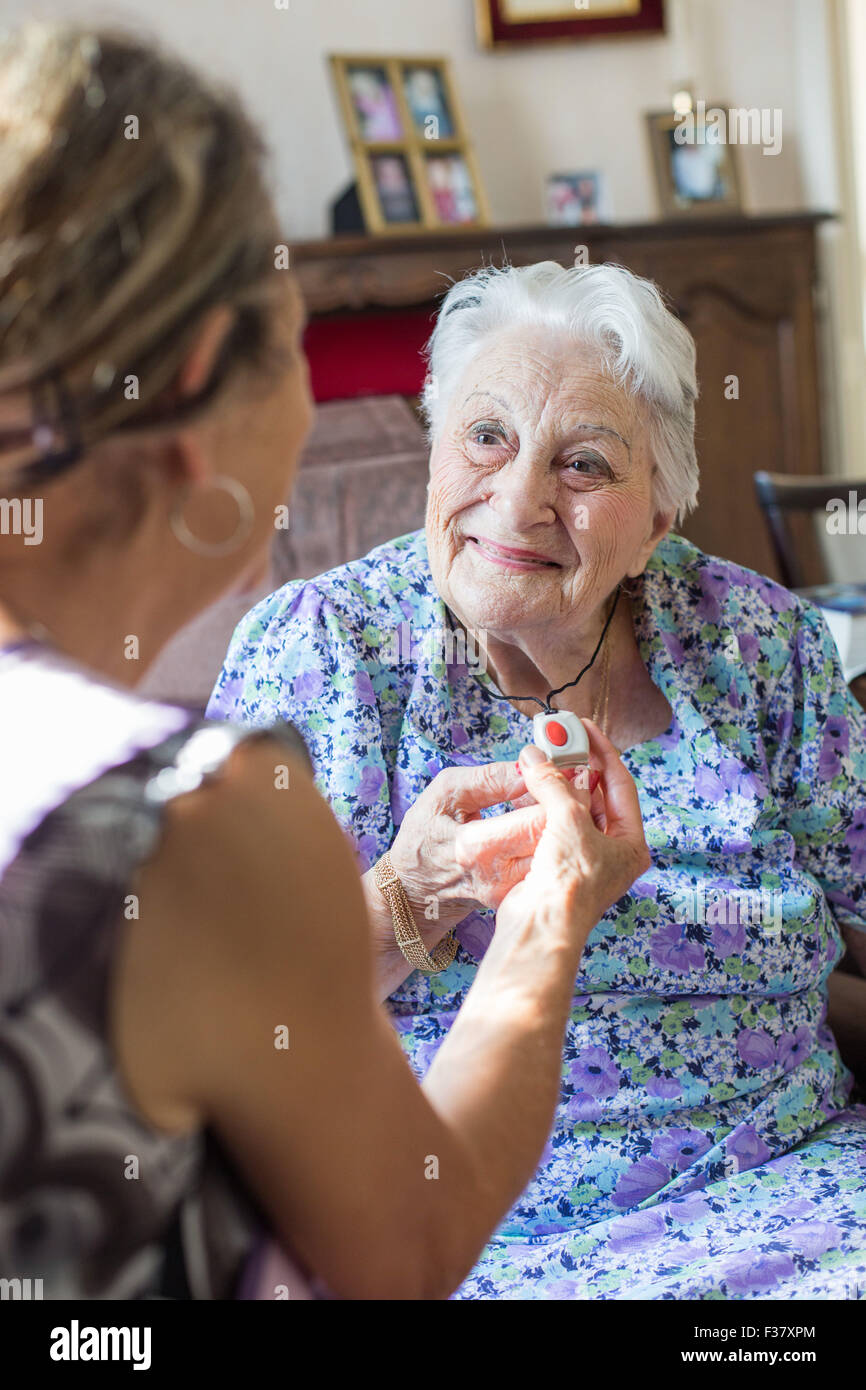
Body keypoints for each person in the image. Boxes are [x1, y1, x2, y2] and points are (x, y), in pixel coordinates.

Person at [0, 24, 650, 1300]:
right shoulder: (196, 819)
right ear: (202, 383)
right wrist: (544, 921)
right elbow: (406, 1246)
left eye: (579, 463)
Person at [211, 259, 866, 1299]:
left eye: (584, 465)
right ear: (433, 453)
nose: (515, 501)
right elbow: (232, 1022)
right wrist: (415, 894)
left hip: (810, 1185)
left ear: (657, 517)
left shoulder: (754, 643)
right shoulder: (327, 652)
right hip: (497, 1235)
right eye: (485, 437)